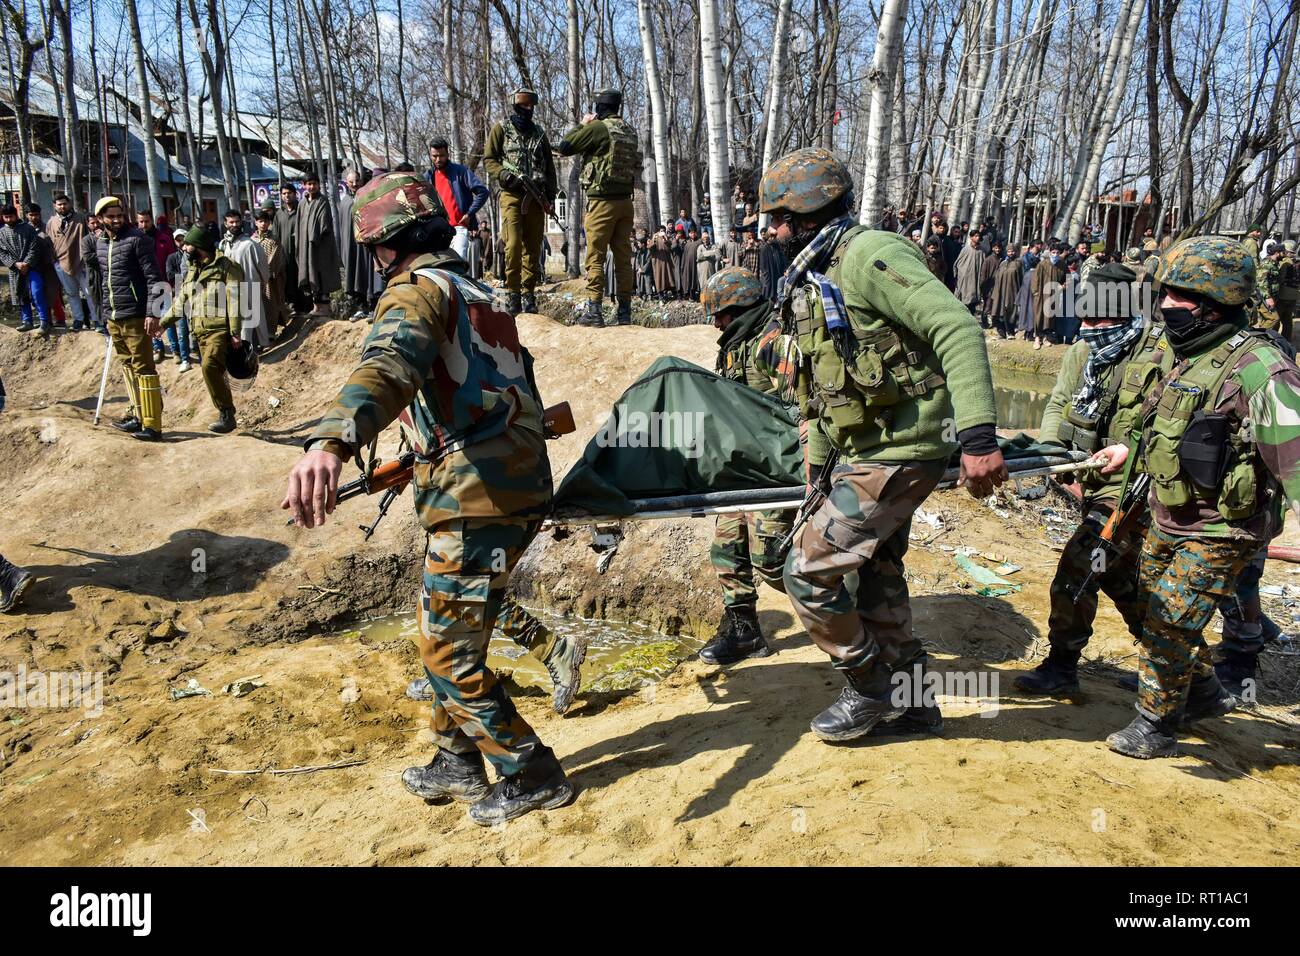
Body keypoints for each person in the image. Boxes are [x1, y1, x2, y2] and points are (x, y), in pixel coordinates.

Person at [281, 171, 573, 825]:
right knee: (444, 629)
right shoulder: (477, 289)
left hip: (477, 499)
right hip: (512, 489)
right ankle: (455, 758)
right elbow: (488, 391)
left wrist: (331, 443)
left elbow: (388, 364)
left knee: (448, 650)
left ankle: (530, 770)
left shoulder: (414, 291)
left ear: (382, 245)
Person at [756, 147, 1006, 741]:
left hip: (903, 447)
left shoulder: (870, 256)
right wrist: (817, 472)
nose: (770, 231)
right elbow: (821, 383)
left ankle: (871, 686)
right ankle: (917, 703)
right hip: (863, 447)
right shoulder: (815, 273)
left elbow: (957, 327)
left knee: (808, 569)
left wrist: (976, 439)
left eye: (778, 219)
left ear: (809, 214)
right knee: (878, 577)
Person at [1094, 236, 1300, 758]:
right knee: (1147, 607)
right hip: (1169, 514)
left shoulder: (1261, 369)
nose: (1167, 304)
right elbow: (1165, 425)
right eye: (1166, 292)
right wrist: (1124, 450)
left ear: (1214, 304)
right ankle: (1203, 690)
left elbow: (1295, 459)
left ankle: (1157, 724)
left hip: (1223, 528)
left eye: (1180, 296)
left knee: (1170, 617)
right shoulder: (1190, 354)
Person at [1016, 263, 1160, 695]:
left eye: (1097, 318)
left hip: (1134, 487)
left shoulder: (1159, 353)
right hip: (1094, 479)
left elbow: (1170, 429)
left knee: (1080, 566)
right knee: (1119, 576)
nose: (1086, 326)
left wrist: (1130, 453)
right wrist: (1047, 453)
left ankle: (1062, 667)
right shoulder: (1083, 352)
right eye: (1083, 315)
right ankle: (1182, 672)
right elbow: (1058, 404)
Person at [700, 266, 795, 664]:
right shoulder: (735, 344)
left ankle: (847, 608)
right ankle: (744, 632)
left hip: (777, 466)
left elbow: (804, 407)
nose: (716, 323)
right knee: (726, 544)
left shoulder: (774, 342)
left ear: (740, 308)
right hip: (744, 466)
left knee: (770, 555)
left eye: (720, 314)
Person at [151, 226, 246, 434]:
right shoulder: (193, 270)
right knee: (215, 372)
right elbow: (181, 302)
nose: (184, 247)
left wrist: (235, 332)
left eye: (188, 244)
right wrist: (163, 324)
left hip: (219, 329)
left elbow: (235, 300)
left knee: (209, 366)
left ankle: (227, 413)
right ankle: (227, 414)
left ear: (200, 246)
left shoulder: (227, 267)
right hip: (200, 331)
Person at [557, 88, 640, 327]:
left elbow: (565, 147)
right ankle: (625, 312)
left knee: (595, 256)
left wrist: (583, 124)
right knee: (624, 259)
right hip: (626, 203)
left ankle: (595, 310)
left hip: (602, 203)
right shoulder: (629, 130)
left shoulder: (598, 128)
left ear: (600, 107)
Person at [95, 197, 164, 440]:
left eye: (119, 215)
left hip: (136, 316)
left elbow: (154, 278)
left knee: (144, 367)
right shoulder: (101, 243)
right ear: (101, 219)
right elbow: (104, 283)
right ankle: (138, 415)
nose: (116, 220)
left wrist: (152, 313)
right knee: (127, 366)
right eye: (111, 216)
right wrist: (105, 314)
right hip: (114, 317)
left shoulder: (138, 239)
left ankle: (153, 425)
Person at [484, 89, 558, 315]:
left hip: (536, 198)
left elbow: (549, 167)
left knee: (533, 249)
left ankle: (529, 294)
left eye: (530, 108)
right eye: (523, 107)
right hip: (512, 195)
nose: (527, 111)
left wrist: (551, 196)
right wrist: (504, 175)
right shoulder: (501, 129)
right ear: (514, 106)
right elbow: (489, 159)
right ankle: (513, 292)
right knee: (513, 245)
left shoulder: (539, 134)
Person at [426, 136, 490, 262]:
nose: (438, 159)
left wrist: (469, 214)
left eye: (442, 155)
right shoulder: (428, 177)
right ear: (430, 155)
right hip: (437, 231)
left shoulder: (461, 171)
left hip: (459, 228)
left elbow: (483, 192)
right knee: (439, 270)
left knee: (459, 265)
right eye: (434, 156)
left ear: (448, 154)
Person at [219, 209, 270, 348]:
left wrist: (261, 284)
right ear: (225, 223)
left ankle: (255, 348)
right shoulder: (224, 244)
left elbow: (264, 268)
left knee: (252, 320)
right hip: (232, 290)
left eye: (237, 221)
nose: (235, 224)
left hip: (250, 286)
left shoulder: (250, 244)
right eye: (231, 222)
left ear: (241, 222)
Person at [0, 205, 52, 337]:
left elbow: (34, 247)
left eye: (11, 216)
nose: (9, 219)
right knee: (21, 295)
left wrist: (26, 263)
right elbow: (2, 252)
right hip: (15, 269)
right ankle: (27, 320)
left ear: (16, 215)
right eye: (6, 217)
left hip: (32, 267)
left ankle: (44, 321)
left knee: (37, 292)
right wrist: (15, 264)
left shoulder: (28, 228)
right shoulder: (1, 233)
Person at [338, 168, 381, 320]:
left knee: (368, 274)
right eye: (351, 182)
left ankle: (373, 307)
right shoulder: (345, 202)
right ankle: (361, 307)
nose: (355, 184)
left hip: (365, 246)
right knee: (354, 276)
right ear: (346, 183)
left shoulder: (368, 198)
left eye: (357, 181)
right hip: (351, 247)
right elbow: (342, 227)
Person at [296, 173, 342, 314]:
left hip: (321, 245)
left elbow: (324, 224)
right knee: (309, 272)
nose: (311, 186)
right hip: (306, 246)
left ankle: (324, 307)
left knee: (322, 272)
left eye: (314, 183)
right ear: (304, 185)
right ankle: (316, 306)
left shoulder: (323, 201)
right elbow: (299, 225)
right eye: (308, 184)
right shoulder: (302, 203)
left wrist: (314, 238)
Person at [47, 194, 93, 330]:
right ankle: (78, 320)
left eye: (64, 203)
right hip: (61, 263)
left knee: (89, 293)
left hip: (81, 262)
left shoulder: (80, 219)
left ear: (70, 204)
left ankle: (97, 321)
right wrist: (55, 262)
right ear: (55, 206)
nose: (62, 206)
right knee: (71, 294)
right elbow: (49, 243)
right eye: (59, 204)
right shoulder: (52, 222)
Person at [253, 206, 289, 341]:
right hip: (255, 279)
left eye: (266, 221)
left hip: (270, 280)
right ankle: (258, 335)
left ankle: (270, 333)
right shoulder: (252, 240)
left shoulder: (274, 240)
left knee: (270, 305)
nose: (263, 224)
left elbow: (274, 260)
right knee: (257, 306)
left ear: (270, 223)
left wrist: (265, 273)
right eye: (260, 221)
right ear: (256, 222)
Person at [273, 183, 309, 315]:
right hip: (284, 253)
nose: (287, 196)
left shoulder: (301, 210)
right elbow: (275, 235)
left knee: (301, 277)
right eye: (284, 193)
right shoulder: (279, 214)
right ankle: (291, 304)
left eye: (289, 193)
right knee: (287, 279)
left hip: (300, 252)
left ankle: (305, 306)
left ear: (295, 194)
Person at [163, 227, 194, 372]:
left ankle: (198, 352)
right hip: (179, 294)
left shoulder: (195, 255)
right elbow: (170, 275)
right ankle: (184, 358)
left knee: (194, 327)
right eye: (178, 240)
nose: (181, 242)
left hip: (195, 295)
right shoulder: (172, 257)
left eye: (183, 239)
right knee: (181, 329)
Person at [1030, 241, 1065, 349]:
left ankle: (1046, 338)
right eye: (1053, 252)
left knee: (1049, 317)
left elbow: (1067, 279)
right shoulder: (1042, 264)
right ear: (1050, 252)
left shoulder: (1062, 265)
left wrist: (1063, 286)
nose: (1055, 255)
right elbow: (1035, 279)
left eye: (1057, 252)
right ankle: (1037, 338)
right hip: (1041, 295)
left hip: (1053, 296)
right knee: (1039, 316)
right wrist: (1035, 292)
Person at [987, 246, 1023, 339]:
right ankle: (1001, 332)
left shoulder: (1018, 263)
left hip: (1012, 292)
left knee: (1010, 312)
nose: (1010, 253)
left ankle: (1010, 332)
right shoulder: (1003, 263)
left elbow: (1020, 279)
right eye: (1009, 251)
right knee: (999, 312)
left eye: (1012, 251)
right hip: (1000, 292)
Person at [650, 226, 675, 301]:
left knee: (667, 278)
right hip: (658, 262)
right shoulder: (655, 237)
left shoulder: (666, 237)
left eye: (663, 230)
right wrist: (654, 240)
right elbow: (650, 248)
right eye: (661, 231)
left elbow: (670, 246)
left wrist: (665, 238)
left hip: (667, 262)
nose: (662, 232)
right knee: (659, 278)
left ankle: (666, 294)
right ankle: (660, 296)